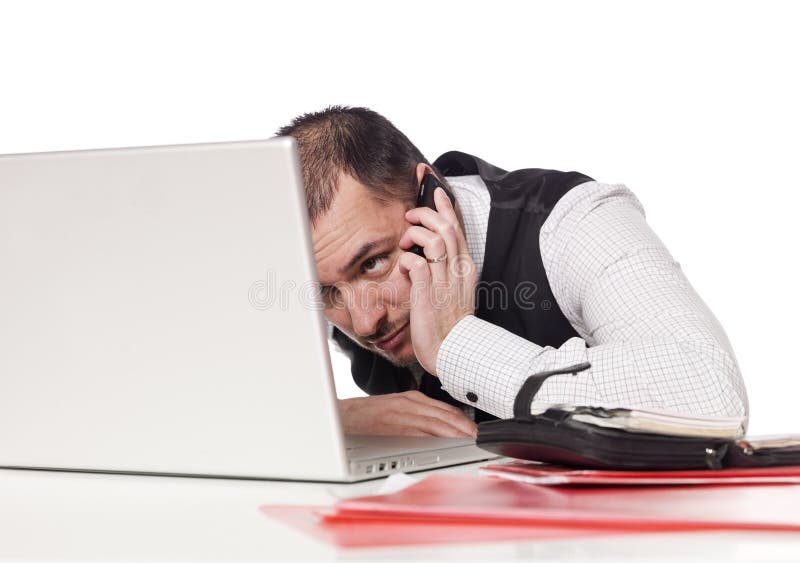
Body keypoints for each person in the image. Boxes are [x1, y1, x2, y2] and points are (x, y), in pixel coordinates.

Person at [276, 106, 748, 439]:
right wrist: (336, 419)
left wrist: (453, 344)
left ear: (432, 197)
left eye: (374, 263)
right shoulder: (330, 269)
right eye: (325, 291)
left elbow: (709, 392)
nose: (364, 324)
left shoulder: (574, 223)